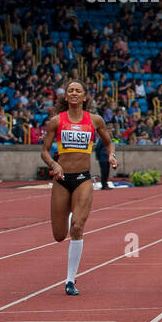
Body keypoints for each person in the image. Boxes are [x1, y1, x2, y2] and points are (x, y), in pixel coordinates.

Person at [39, 79, 118, 296]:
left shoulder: (95, 120)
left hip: (83, 179)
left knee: (78, 227)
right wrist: (54, 164)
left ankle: (70, 280)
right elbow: (44, 151)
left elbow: (109, 142)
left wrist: (111, 154)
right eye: (70, 90)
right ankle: (65, 213)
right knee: (58, 234)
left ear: (84, 97)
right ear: (66, 96)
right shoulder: (56, 121)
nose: (74, 93)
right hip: (62, 179)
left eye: (78, 91)